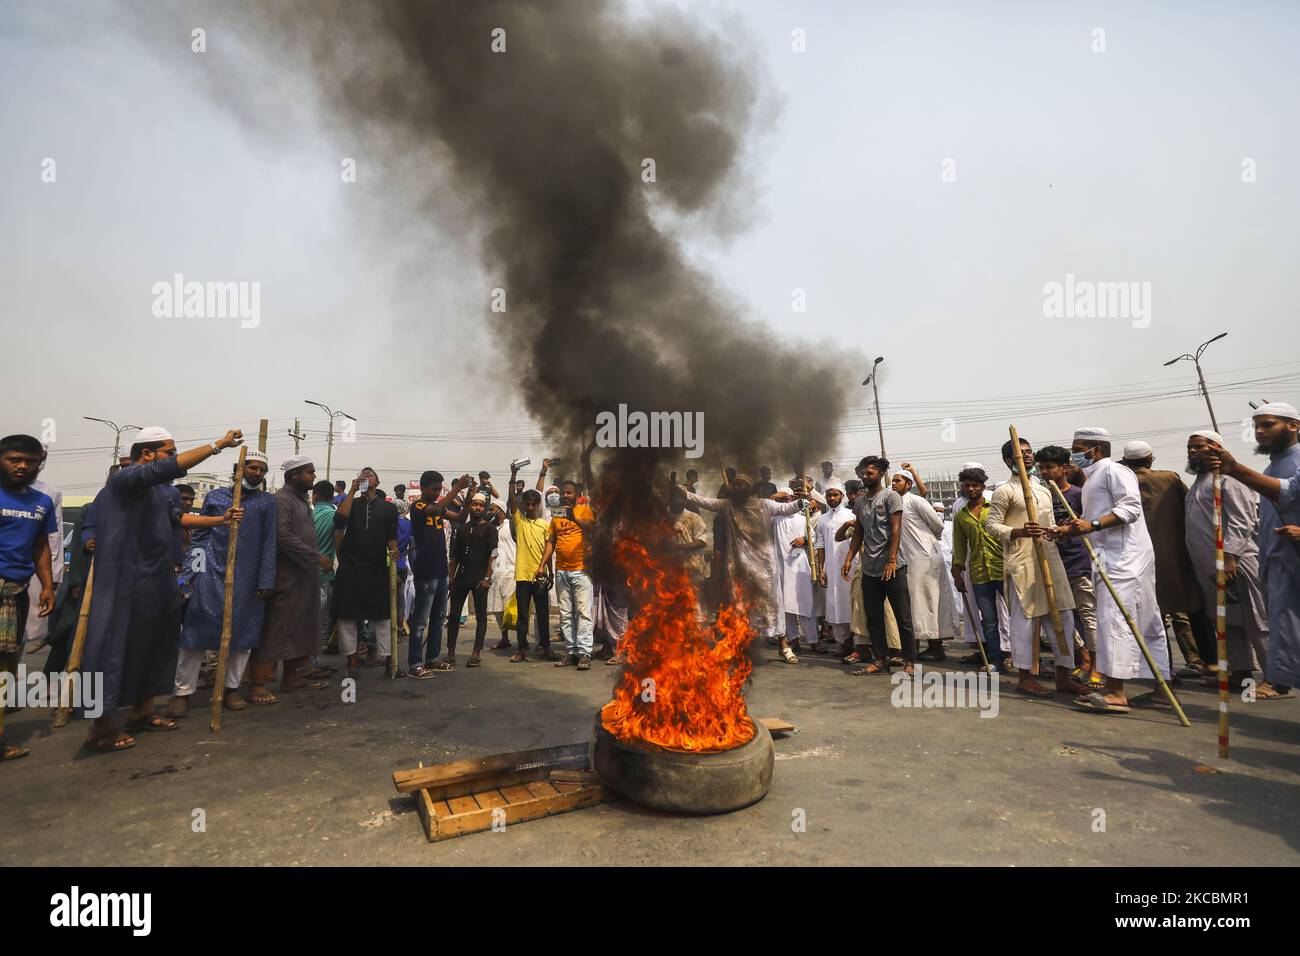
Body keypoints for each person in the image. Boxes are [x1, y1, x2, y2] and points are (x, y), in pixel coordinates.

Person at [79, 426, 244, 752]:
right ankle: (102, 727)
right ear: (146, 454)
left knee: (155, 645)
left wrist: (220, 520)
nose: (172, 458)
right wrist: (218, 445)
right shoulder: (124, 481)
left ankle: (143, 710)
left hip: (158, 579)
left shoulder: (160, 492)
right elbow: (170, 468)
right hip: (124, 581)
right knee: (114, 649)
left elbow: (177, 519)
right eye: (168, 452)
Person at [1059, 427, 1170, 713]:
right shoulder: (1092, 479)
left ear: (1094, 450)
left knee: (1116, 621)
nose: (1073, 454)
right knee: (1142, 620)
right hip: (1110, 557)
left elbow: (1130, 509)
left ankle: (1116, 692)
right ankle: (1160, 689)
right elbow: (1089, 521)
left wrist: (1093, 525)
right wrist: (1066, 530)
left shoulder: (1114, 472)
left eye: (1077, 448)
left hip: (1124, 559)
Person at [1198, 402, 1300, 696]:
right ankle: (1277, 679)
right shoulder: (1272, 465)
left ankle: (1275, 680)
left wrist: (1235, 469)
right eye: (1257, 426)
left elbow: (1290, 493)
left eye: (1268, 424)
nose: (1259, 431)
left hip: (1290, 559)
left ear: (1293, 426)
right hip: (1277, 560)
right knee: (1283, 623)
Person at [167, 450, 277, 716]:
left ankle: (230, 689)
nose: (257, 474)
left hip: (248, 580)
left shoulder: (267, 502)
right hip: (211, 573)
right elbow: (200, 536)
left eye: (262, 470)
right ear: (238, 469)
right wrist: (189, 575)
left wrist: (265, 579)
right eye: (252, 468)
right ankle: (183, 692)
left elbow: (269, 541)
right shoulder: (216, 497)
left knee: (243, 637)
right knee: (194, 634)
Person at [1183, 430, 1280, 697]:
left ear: (1215, 447)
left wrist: (1231, 556)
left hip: (1236, 562)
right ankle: (1240, 674)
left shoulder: (1229, 478)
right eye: (1189, 447)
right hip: (1208, 567)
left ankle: (1276, 681)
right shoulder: (1200, 481)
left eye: (1198, 447)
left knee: (1257, 621)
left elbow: (1242, 519)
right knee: (1228, 622)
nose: (1192, 452)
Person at [985, 438, 1084, 696]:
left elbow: (1049, 523)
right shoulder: (1004, 491)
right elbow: (992, 525)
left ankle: (1065, 675)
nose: (1028, 457)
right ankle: (1026, 677)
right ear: (1009, 461)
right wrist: (1018, 531)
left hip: (1050, 558)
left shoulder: (1043, 489)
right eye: (1021, 454)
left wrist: (1058, 533)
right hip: (1022, 562)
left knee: (1063, 615)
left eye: (1029, 453)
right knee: (1025, 621)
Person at [682, 474, 806, 651]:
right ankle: (742, 644)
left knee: (772, 603)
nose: (738, 488)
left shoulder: (764, 504)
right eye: (736, 485)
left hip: (765, 567)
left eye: (742, 485)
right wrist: (686, 494)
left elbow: (787, 508)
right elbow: (704, 501)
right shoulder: (727, 505)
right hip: (740, 567)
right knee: (741, 605)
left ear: (749, 488)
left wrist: (801, 502)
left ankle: (783, 644)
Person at [1121, 440, 1206, 678]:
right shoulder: (1170, 478)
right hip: (1173, 554)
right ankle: (1196, 660)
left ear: (1126, 462)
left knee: (1153, 615)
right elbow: (1189, 507)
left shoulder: (1123, 481)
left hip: (1137, 557)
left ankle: (1164, 669)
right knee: (1181, 610)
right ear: (1150, 459)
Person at [250, 456, 331, 698]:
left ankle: (293, 680)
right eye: (309, 472)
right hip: (287, 577)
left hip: (304, 578)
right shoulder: (282, 500)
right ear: (294, 475)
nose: (313, 477)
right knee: (277, 630)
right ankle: (258, 685)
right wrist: (316, 557)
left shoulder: (302, 500)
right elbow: (282, 536)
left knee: (301, 629)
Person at [0, 435, 58, 762]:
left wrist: (47, 585)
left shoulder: (41, 502)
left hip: (17, 591)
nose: (22, 466)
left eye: (30, 461)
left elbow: (40, 546)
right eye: (14, 459)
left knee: (7, 666)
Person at [842, 456, 918, 676]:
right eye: (863, 473)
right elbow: (858, 532)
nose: (865, 476)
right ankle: (881, 659)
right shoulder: (861, 501)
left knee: (902, 617)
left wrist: (892, 559)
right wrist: (849, 558)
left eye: (870, 473)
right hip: (869, 569)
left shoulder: (891, 497)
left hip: (893, 567)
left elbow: (896, 530)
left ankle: (909, 661)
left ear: (881, 474)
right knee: (873, 617)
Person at [1035, 445, 1100, 686]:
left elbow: (1088, 526)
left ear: (1064, 468)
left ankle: (1095, 664)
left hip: (1078, 561)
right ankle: (1081, 657)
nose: (1045, 472)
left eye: (1049, 467)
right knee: (1062, 617)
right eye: (1041, 468)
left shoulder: (1078, 494)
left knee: (1087, 614)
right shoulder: (1041, 497)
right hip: (1053, 563)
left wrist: (1066, 530)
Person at [332, 468, 399, 675]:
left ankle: (389, 660)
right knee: (346, 616)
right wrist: (351, 491)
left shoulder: (388, 509)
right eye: (362, 474)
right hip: (350, 567)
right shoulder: (351, 503)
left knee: (383, 616)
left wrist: (394, 550)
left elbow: (391, 536)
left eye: (369, 474)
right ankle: (351, 661)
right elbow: (339, 520)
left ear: (377, 482)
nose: (365, 476)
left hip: (377, 567)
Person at [950, 466, 1007, 672]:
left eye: (975, 485)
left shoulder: (996, 507)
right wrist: (957, 571)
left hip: (1003, 568)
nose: (971, 489)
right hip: (979, 572)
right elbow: (958, 545)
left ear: (983, 487)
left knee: (1017, 617)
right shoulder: (961, 515)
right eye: (967, 486)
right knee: (989, 620)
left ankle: (1023, 660)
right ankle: (995, 660)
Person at [435, 488, 499, 669]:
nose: (478, 508)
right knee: (453, 616)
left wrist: (487, 578)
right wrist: (451, 577)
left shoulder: (490, 529)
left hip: (480, 578)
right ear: (469, 506)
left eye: (481, 505)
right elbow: (453, 555)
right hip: (461, 578)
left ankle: (476, 653)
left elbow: (493, 554)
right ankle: (451, 653)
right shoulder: (462, 529)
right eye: (475, 504)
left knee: (481, 616)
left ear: (484, 508)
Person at [889, 468, 947, 661]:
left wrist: (928, 542)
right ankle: (912, 649)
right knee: (913, 604)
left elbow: (937, 525)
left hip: (926, 558)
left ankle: (936, 648)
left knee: (930, 601)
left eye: (898, 481)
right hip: (908, 561)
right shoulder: (892, 503)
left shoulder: (916, 501)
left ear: (908, 484)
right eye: (892, 481)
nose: (893, 484)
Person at [406, 471, 458, 678]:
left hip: (441, 570)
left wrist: (470, 495)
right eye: (434, 489)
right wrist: (458, 488)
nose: (437, 493)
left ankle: (433, 659)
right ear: (423, 488)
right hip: (426, 571)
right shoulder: (418, 507)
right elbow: (436, 508)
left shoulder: (439, 509)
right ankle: (415, 663)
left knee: (438, 618)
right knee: (420, 621)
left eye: (440, 489)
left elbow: (460, 517)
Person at [538, 480, 596, 668]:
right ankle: (571, 652)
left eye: (568, 493)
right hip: (561, 570)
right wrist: (542, 565)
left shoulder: (585, 510)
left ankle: (585, 653)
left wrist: (574, 518)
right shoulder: (556, 514)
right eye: (563, 493)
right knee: (565, 613)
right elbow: (551, 541)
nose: (564, 496)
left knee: (583, 612)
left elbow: (591, 529)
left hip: (581, 570)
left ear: (576, 493)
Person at [508, 462, 555, 662]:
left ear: (537, 505)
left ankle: (545, 647)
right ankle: (521, 649)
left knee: (543, 614)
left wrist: (550, 572)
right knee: (522, 616)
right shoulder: (519, 521)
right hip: (522, 575)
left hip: (540, 575)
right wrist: (513, 475)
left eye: (532, 504)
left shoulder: (545, 525)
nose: (529, 507)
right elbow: (511, 500)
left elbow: (549, 550)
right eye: (526, 504)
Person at [771, 483, 822, 661]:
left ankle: (814, 640)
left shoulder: (803, 518)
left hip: (800, 566)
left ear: (793, 499)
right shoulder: (774, 519)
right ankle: (793, 639)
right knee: (786, 606)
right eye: (782, 500)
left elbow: (813, 538)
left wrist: (804, 538)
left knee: (806, 603)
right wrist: (777, 497)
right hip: (781, 566)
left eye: (788, 499)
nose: (786, 502)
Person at [22, 442, 62, 653]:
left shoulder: (48, 494)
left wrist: (51, 580)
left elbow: (51, 539)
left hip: (27, 572)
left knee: (19, 630)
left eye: (34, 459)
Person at [815, 478, 855, 652]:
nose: (832, 498)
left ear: (842, 496)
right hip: (831, 567)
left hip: (851, 566)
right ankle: (844, 642)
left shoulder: (851, 515)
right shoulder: (822, 520)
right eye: (829, 495)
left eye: (835, 495)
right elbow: (820, 547)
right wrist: (821, 569)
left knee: (851, 603)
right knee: (835, 604)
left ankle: (858, 643)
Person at [669, 486, 709, 615]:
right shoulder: (666, 519)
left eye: (679, 498)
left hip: (693, 567)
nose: (675, 502)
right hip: (674, 569)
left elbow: (702, 542)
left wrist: (678, 548)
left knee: (694, 604)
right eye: (673, 498)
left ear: (685, 501)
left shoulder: (694, 517)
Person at [311, 480, 338, 652]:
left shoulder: (309, 515)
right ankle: (314, 659)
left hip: (308, 573)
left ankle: (310, 661)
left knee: (310, 618)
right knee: (323, 617)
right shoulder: (334, 515)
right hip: (328, 573)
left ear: (314, 496)